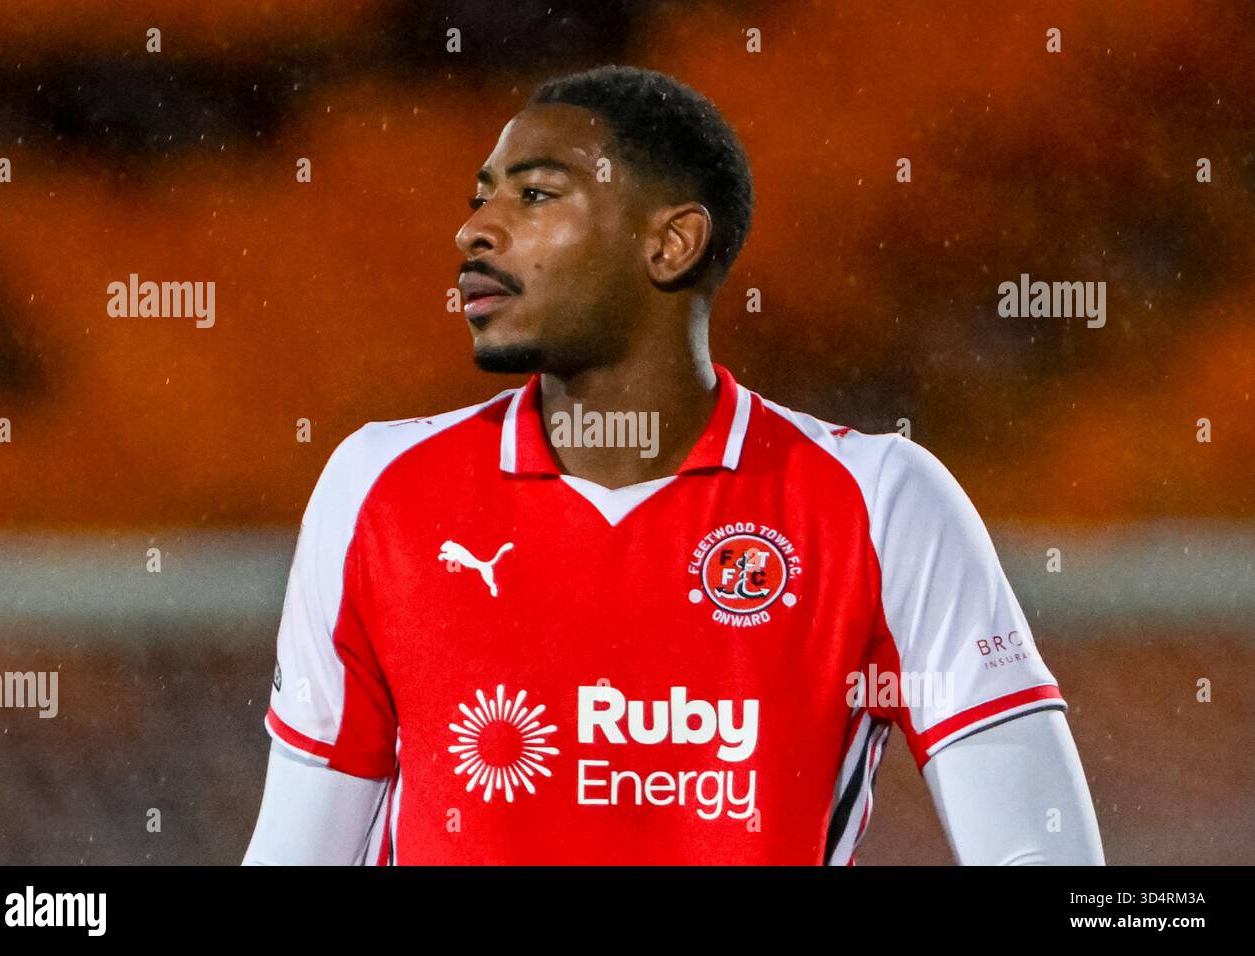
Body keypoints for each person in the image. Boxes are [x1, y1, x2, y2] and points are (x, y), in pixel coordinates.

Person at [244, 65, 1103, 866]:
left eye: (535, 194)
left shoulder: (880, 502)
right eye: (479, 198)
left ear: (673, 243)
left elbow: (1040, 853)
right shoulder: (379, 488)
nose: (473, 228)